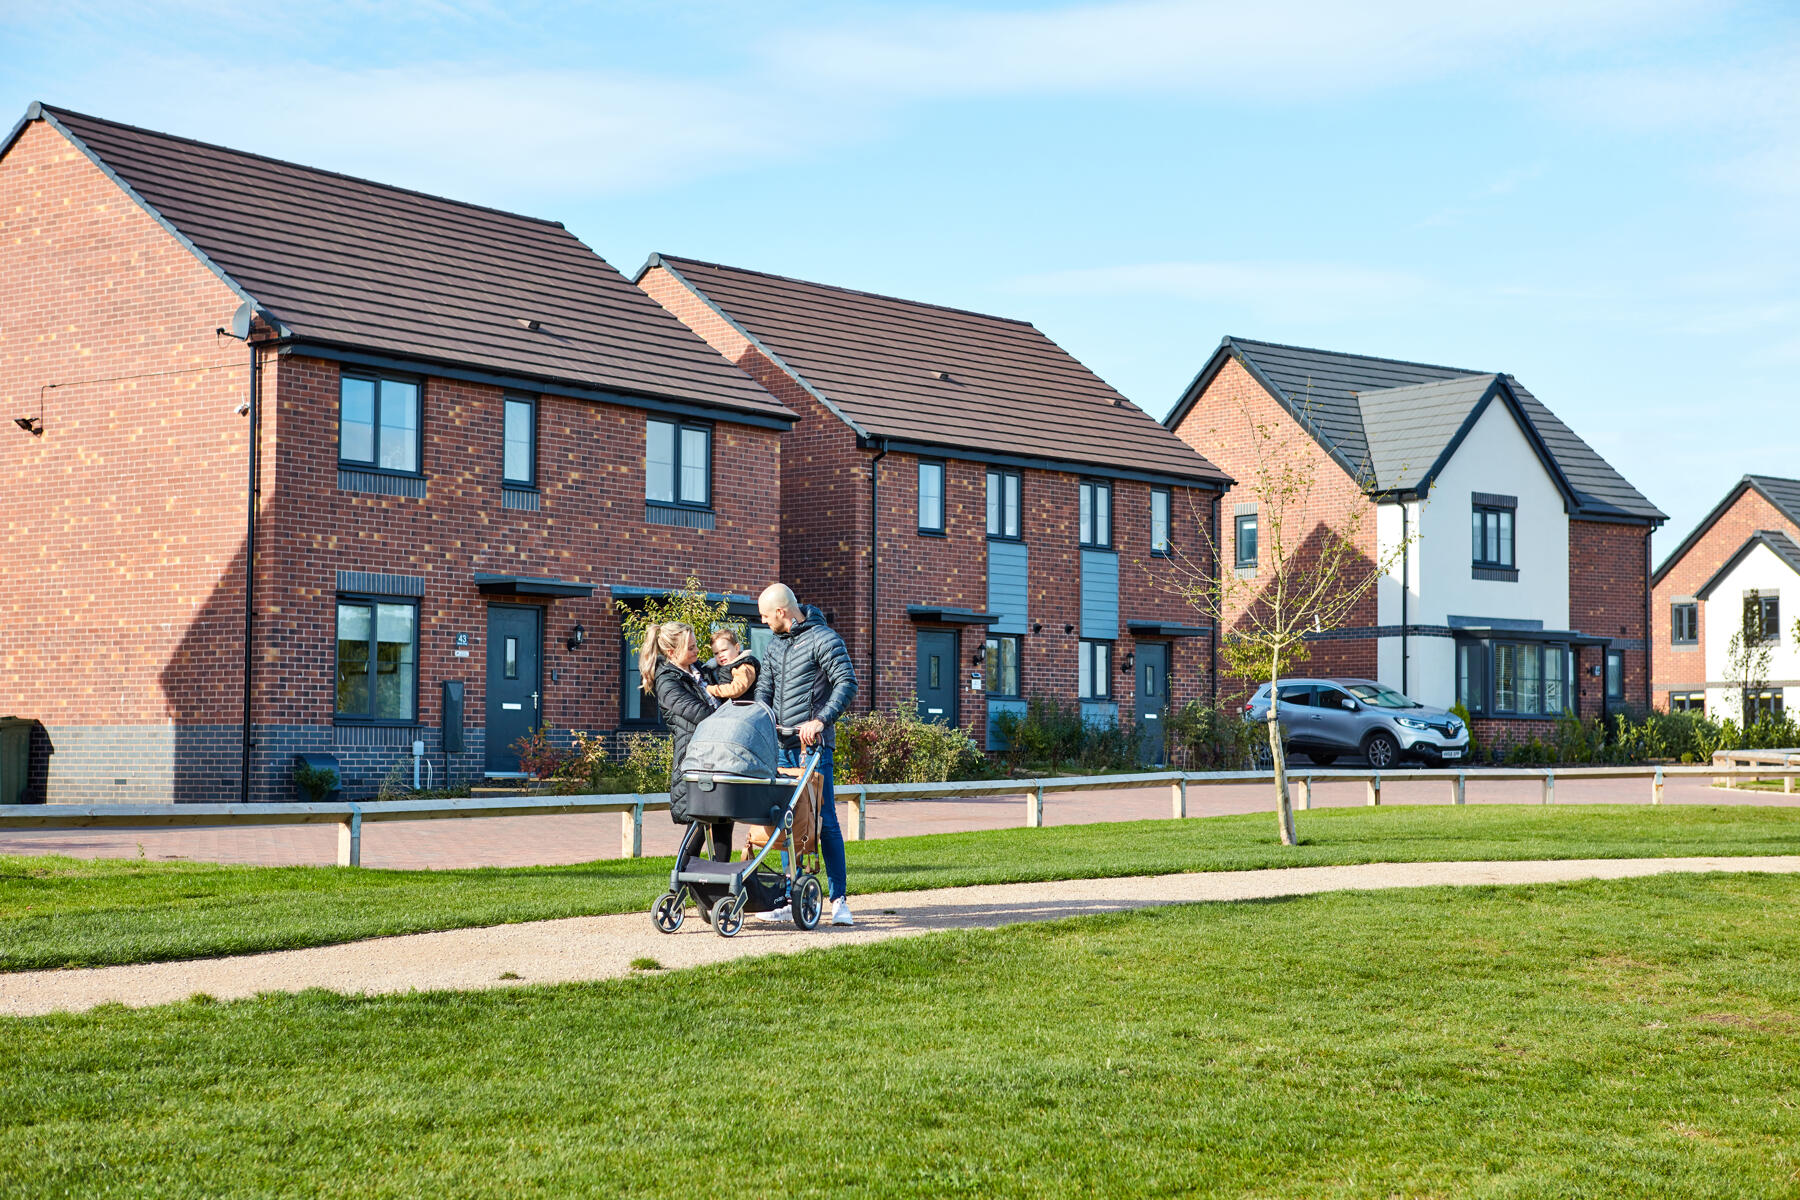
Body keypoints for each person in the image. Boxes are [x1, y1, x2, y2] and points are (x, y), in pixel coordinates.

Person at [754, 583, 858, 925]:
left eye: (766, 616)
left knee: (823, 821)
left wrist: (820, 719)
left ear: (782, 612)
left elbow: (846, 682)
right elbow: (763, 693)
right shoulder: (774, 647)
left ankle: (839, 900)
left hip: (812, 747)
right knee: (789, 823)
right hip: (781, 748)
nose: (765, 622)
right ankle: (793, 896)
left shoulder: (824, 639)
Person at [639, 621, 731, 863]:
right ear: (672, 652)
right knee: (698, 826)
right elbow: (699, 714)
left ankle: (718, 887)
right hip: (695, 759)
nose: (697, 650)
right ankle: (681, 882)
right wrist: (731, 720)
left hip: (718, 756)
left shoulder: (700, 671)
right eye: (690, 647)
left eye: (696, 645)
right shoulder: (668, 682)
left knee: (724, 821)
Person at [702, 627, 760, 701]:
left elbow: (736, 690)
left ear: (737, 648)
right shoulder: (715, 667)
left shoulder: (744, 666)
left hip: (744, 708)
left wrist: (710, 689)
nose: (720, 655)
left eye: (724, 650)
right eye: (716, 653)